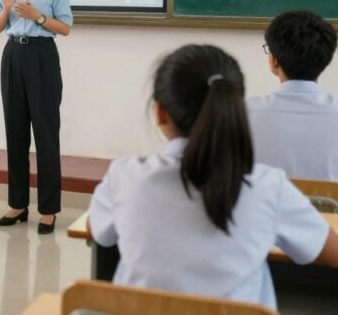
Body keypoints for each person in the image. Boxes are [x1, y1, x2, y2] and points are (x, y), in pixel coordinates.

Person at [88, 44, 338, 308]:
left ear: (160, 112)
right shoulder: (267, 186)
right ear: (235, 107)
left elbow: (99, 232)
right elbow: (331, 252)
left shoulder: (125, 176)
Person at [0, 0, 72, 234]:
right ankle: (17, 204)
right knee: (15, 132)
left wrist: (37, 16)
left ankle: (48, 209)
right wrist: (8, 8)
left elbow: (64, 28)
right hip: (13, 56)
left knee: (46, 134)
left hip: (42, 56)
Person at [247, 9, 338, 180]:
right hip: (329, 207)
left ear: (273, 60)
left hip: (266, 206)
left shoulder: (241, 115)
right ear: (326, 60)